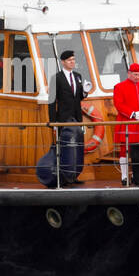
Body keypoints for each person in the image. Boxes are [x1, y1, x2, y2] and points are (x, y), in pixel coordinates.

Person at [48, 48, 89, 183]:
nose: (72, 62)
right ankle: (63, 177)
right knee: (63, 146)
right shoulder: (56, 78)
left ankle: (74, 175)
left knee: (77, 146)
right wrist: (53, 122)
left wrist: (85, 92)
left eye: (73, 60)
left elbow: (78, 97)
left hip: (76, 117)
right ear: (63, 62)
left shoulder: (77, 76)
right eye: (70, 60)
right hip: (63, 118)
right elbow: (52, 101)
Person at [112, 62, 139, 186]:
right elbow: (119, 104)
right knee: (124, 150)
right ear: (129, 73)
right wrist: (133, 114)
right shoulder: (119, 87)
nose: (137, 77)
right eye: (135, 74)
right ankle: (124, 176)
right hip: (128, 122)